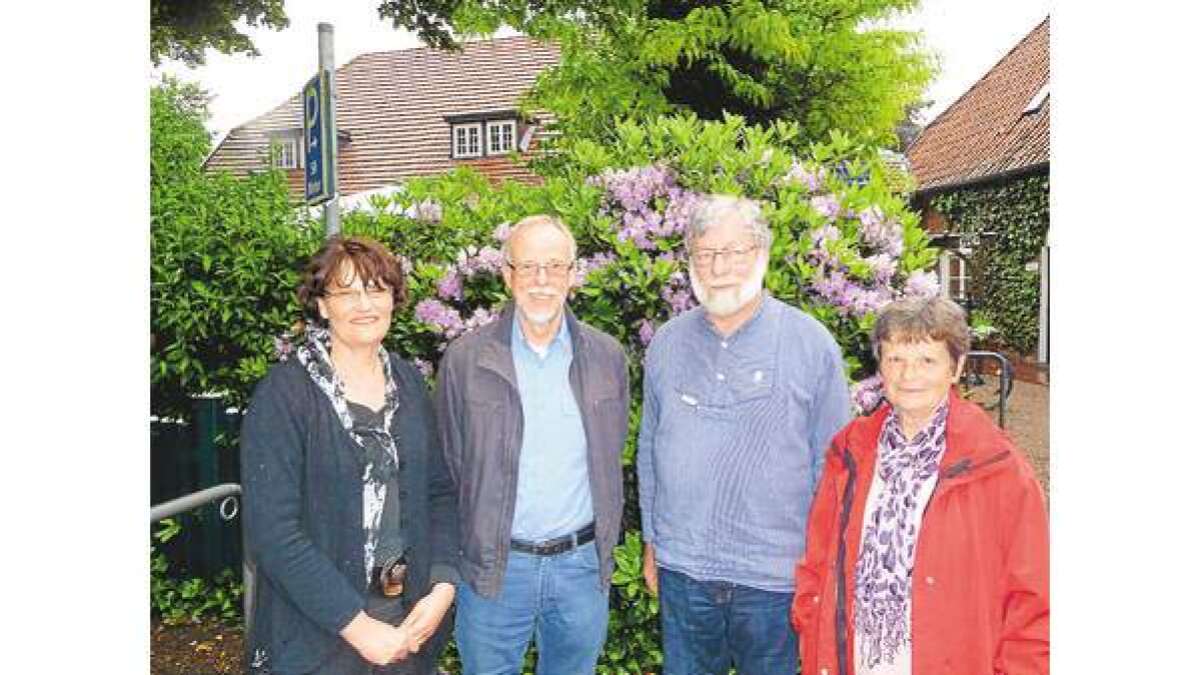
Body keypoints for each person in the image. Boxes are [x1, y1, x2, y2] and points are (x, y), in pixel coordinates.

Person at [637, 194, 852, 674]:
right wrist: (654, 542)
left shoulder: (811, 343)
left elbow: (835, 467)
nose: (719, 267)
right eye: (706, 254)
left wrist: (822, 565)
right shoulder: (667, 344)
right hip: (685, 573)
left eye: (734, 252)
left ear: (761, 255)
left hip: (776, 579)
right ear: (690, 262)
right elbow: (650, 448)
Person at [791, 296, 1049, 675]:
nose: (909, 375)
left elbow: (1034, 602)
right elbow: (816, 560)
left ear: (956, 368)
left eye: (927, 360)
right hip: (855, 661)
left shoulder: (999, 468)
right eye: (896, 359)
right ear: (881, 365)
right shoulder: (850, 451)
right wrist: (811, 628)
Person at [241, 236, 460, 674]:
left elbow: (439, 493)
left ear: (393, 300)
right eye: (346, 291)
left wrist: (442, 585)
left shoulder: (409, 384)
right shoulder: (284, 397)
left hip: (407, 629)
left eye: (377, 289)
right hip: (318, 639)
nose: (364, 304)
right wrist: (357, 626)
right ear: (322, 306)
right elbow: (274, 534)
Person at [434, 214, 631, 675]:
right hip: (495, 569)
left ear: (572, 274)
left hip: (580, 568)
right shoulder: (465, 360)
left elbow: (610, 456)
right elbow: (449, 467)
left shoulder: (607, 358)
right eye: (528, 267)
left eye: (554, 266)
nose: (542, 281)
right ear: (507, 275)